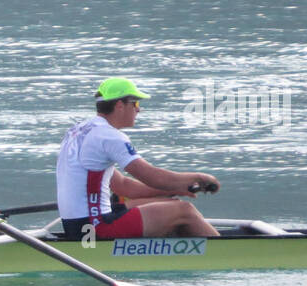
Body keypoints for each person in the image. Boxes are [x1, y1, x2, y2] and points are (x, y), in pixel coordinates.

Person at [57, 78, 220, 240]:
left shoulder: (79, 130)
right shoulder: (109, 136)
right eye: (135, 103)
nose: (139, 109)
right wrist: (199, 178)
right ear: (120, 105)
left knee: (167, 202)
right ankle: (221, 252)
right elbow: (153, 177)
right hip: (94, 229)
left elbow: (124, 187)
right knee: (184, 210)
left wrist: (174, 189)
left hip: (77, 225)